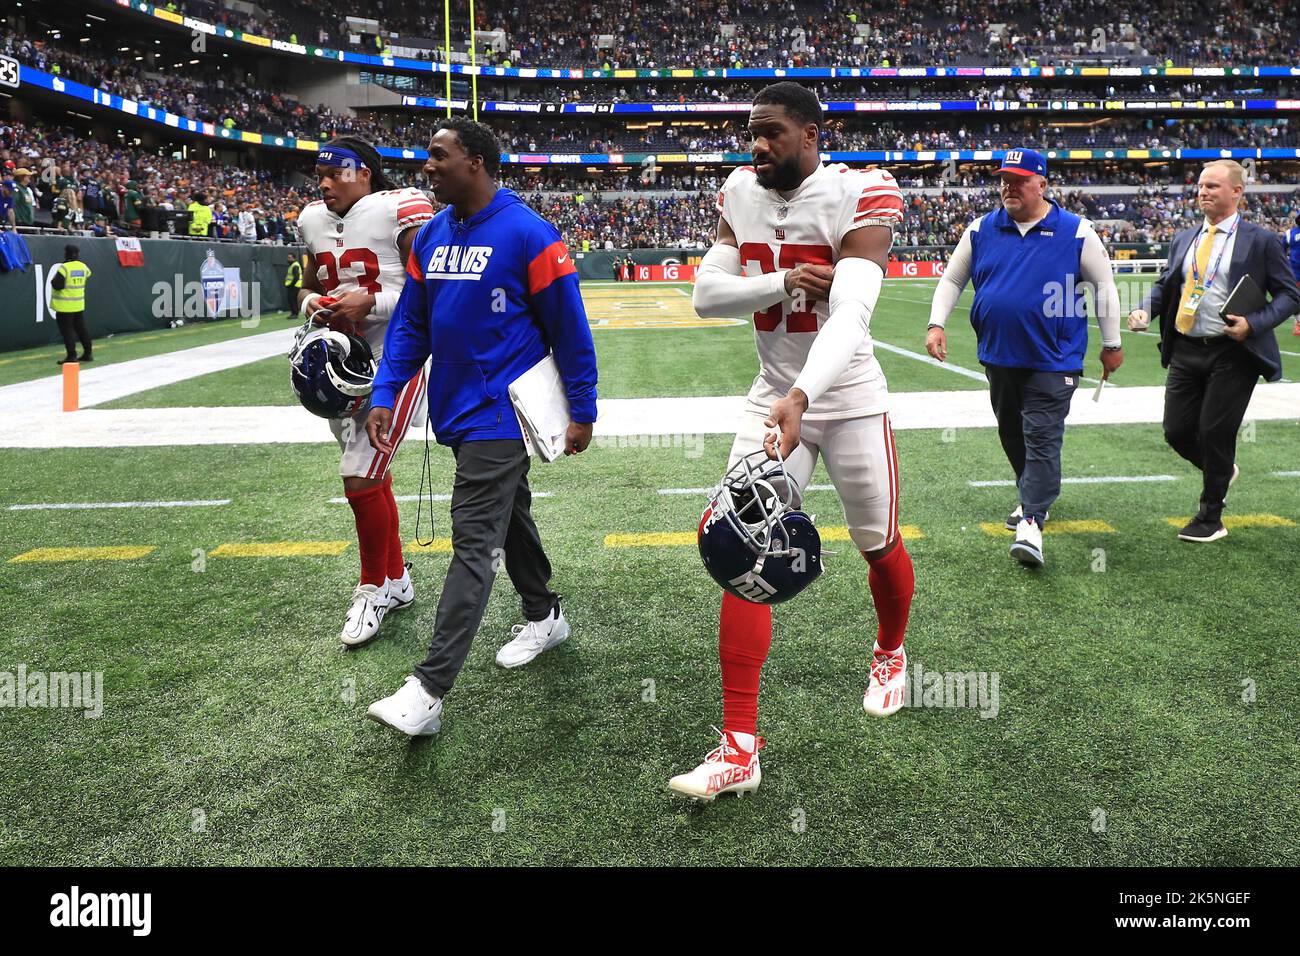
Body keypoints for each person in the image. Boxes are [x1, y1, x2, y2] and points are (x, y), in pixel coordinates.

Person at [669, 82, 913, 800]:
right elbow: (706, 297)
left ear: (810, 134)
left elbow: (851, 316)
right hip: (773, 396)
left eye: (772, 132)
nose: (757, 145)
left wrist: (804, 394)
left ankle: (891, 653)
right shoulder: (739, 191)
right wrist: (778, 281)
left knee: (878, 542)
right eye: (752, 132)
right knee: (743, 544)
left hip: (846, 397)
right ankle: (740, 746)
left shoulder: (862, 191)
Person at [363, 117, 598, 738]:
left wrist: (584, 407)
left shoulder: (528, 233)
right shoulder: (431, 236)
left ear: (477, 162)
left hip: (504, 412)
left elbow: (570, 328)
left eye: (440, 156)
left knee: (473, 541)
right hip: (456, 408)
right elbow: (412, 323)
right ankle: (545, 615)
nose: (428, 166)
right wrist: (387, 388)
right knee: (510, 518)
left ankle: (429, 689)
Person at [926, 148, 1123, 567]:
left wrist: (1112, 344)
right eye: (1003, 181)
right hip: (999, 356)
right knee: (1013, 433)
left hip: (1055, 359)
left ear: (1042, 184)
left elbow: (1104, 288)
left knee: (1041, 436)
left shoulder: (1076, 231)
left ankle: (1031, 521)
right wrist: (935, 324)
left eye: (1018, 181)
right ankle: (1033, 495)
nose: (1008, 188)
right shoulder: (981, 229)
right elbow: (952, 278)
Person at [295, 136, 435, 645]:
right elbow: (307, 284)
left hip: (397, 359)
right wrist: (314, 302)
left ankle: (372, 587)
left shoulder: (400, 208)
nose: (325, 181)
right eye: (320, 173)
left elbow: (430, 286)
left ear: (367, 173)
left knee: (358, 474)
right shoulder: (312, 219)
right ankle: (396, 580)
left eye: (336, 172)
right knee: (372, 476)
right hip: (340, 361)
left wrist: (369, 304)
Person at [1128, 160, 1300, 542]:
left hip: (1233, 352)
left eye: (1213, 186)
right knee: (1176, 431)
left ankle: (1211, 517)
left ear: (1237, 192)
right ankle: (1219, 468)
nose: (1202, 192)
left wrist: (1253, 324)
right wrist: (1144, 307)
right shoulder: (1184, 237)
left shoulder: (1261, 241)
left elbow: (1290, 294)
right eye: (1201, 186)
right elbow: (1166, 285)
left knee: (1215, 430)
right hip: (1187, 346)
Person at [50, 244, 94, 365]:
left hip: (65, 305)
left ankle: (71, 355)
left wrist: (53, 281)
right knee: (81, 329)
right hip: (78, 304)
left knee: (67, 331)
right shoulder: (83, 266)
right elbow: (88, 274)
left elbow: (57, 285)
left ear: (66, 253)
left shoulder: (64, 268)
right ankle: (88, 353)